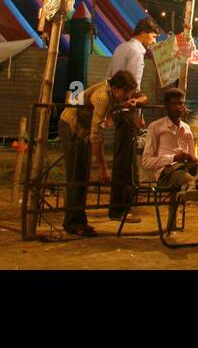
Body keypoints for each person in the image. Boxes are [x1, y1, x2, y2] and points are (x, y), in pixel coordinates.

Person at [141, 88, 198, 241]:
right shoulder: (155, 127)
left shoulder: (187, 129)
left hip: (189, 169)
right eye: (175, 104)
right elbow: (146, 161)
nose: (179, 107)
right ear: (166, 107)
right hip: (168, 172)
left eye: (181, 103)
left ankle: (193, 183)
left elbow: (194, 160)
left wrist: (193, 159)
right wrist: (173, 157)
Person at [58, 70, 139, 236]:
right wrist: (103, 168)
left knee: (82, 174)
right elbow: (96, 137)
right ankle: (73, 223)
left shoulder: (113, 93)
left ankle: (77, 221)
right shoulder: (103, 98)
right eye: (125, 92)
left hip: (83, 129)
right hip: (72, 126)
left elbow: (141, 96)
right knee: (76, 174)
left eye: (129, 92)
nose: (127, 96)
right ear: (116, 88)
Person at [106, 18, 157, 221]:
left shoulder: (120, 48)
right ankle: (120, 209)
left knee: (123, 159)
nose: (153, 41)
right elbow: (132, 86)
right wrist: (137, 113)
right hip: (127, 110)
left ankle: (124, 204)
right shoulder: (136, 52)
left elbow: (110, 77)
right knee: (124, 162)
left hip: (116, 106)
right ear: (143, 33)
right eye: (153, 36)